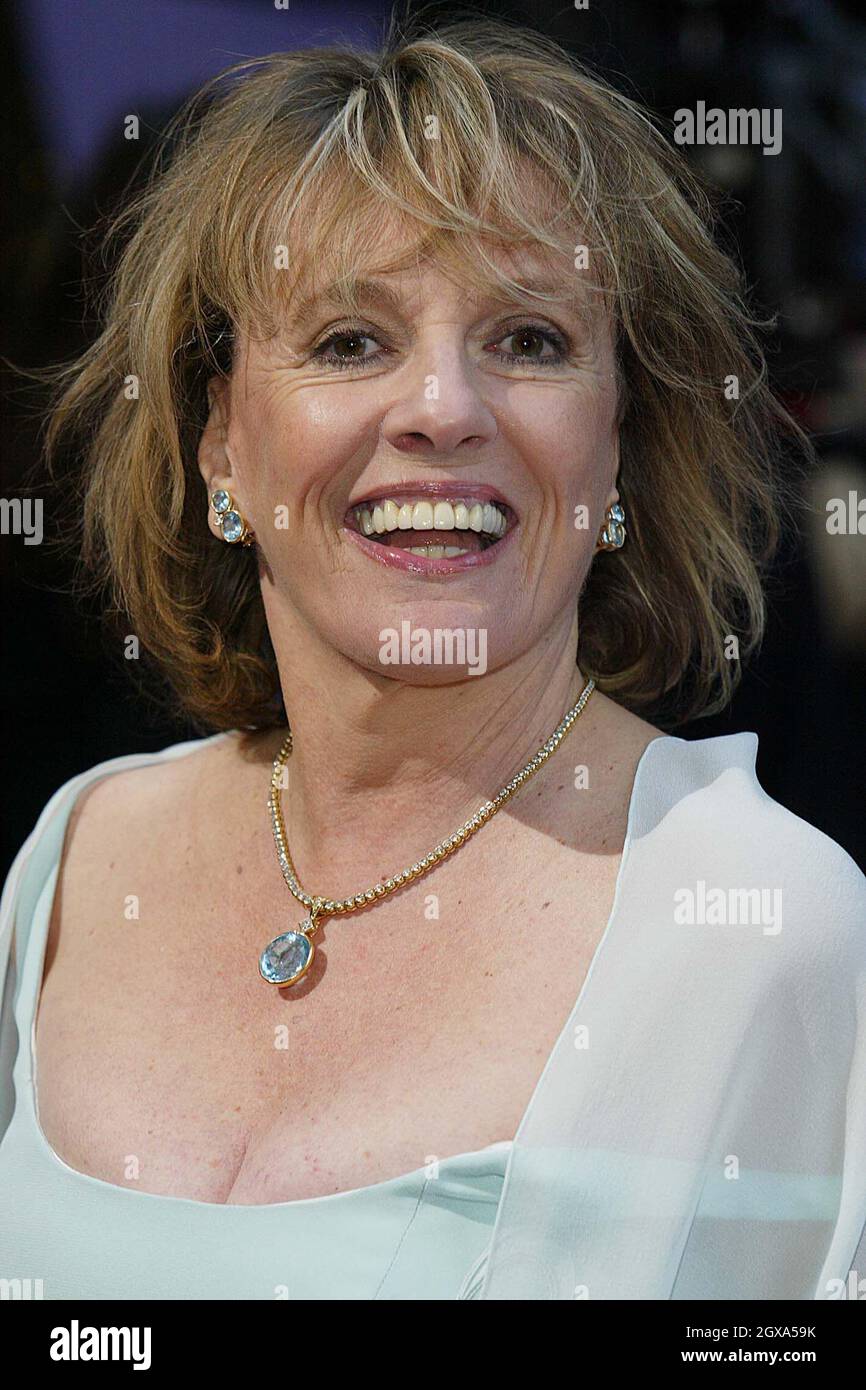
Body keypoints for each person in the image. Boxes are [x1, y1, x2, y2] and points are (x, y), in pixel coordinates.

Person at [1, 15, 864, 1301]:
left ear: (618, 449)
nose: (444, 409)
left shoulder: (771, 928)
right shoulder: (71, 859)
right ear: (216, 444)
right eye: (350, 341)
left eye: (529, 341)